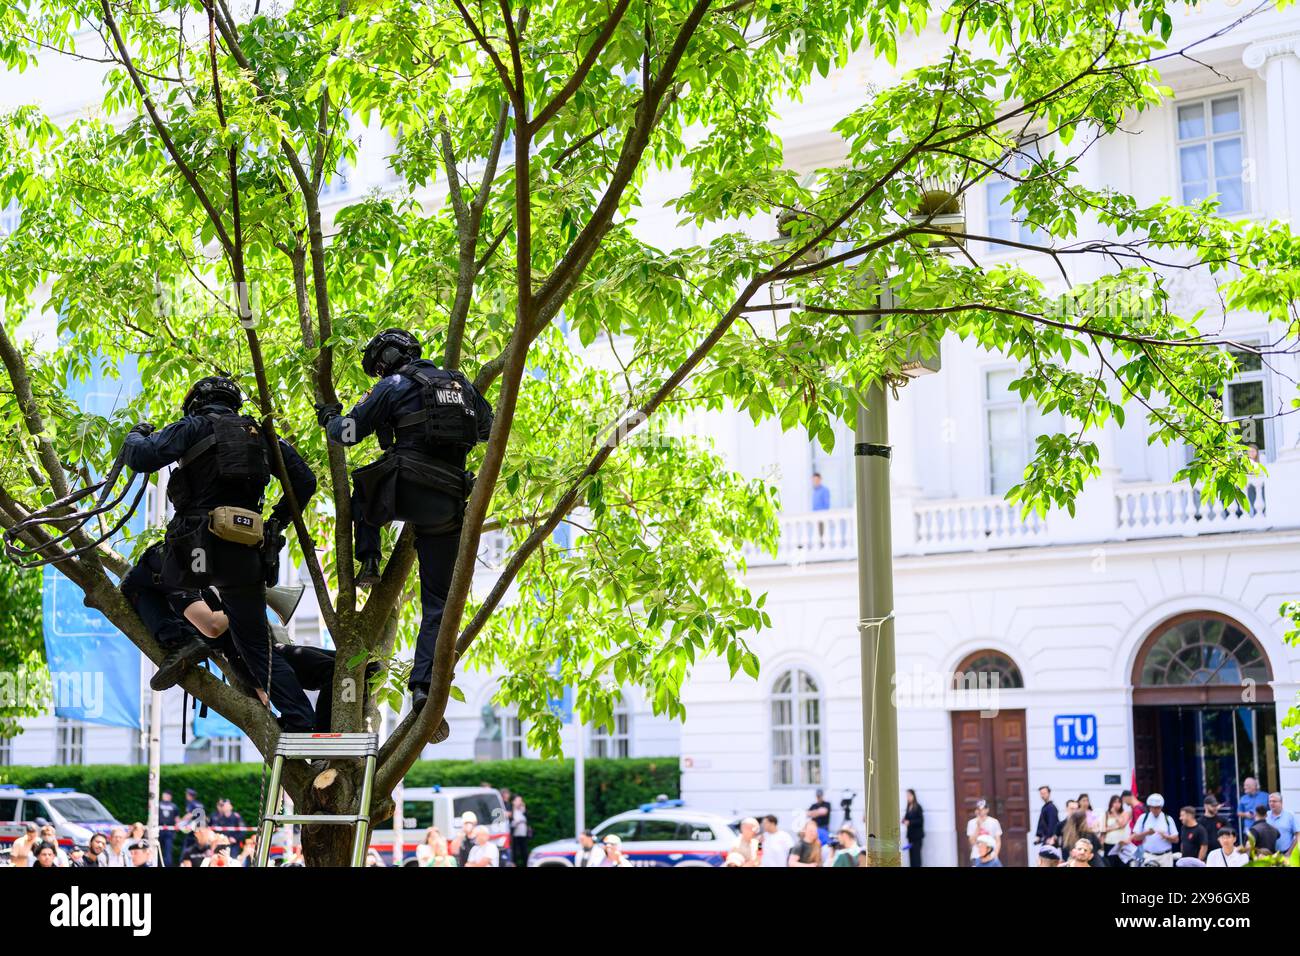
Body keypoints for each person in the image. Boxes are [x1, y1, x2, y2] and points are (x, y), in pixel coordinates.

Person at [123, 374, 319, 732]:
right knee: (259, 648)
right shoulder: (261, 435)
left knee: (138, 580)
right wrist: (276, 523)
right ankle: (300, 720)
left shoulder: (193, 426)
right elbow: (305, 480)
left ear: (197, 401)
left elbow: (142, 456)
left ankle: (181, 643)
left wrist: (136, 434)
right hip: (246, 555)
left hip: (196, 549)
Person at [318, 328, 493, 729]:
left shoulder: (393, 384)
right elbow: (487, 429)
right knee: (438, 603)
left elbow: (348, 433)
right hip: (448, 501)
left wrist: (329, 415)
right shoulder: (462, 383)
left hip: (404, 486)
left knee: (361, 488)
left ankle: (369, 559)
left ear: (388, 360)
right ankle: (424, 688)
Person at [1132, 794, 1179, 866]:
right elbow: (1135, 837)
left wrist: (1166, 836)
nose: (1155, 810)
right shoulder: (1143, 818)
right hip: (1148, 856)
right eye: (1153, 807)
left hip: (1165, 857)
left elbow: (1176, 840)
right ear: (1149, 807)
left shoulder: (1168, 819)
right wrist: (1146, 833)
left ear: (1161, 807)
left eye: (1157, 808)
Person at [966, 799, 1002, 866]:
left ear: (987, 810)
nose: (980, 811)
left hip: (991, 856)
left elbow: (998, 841)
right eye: (978, 809)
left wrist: (995, 854)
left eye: (982, 809)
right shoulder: (971, 823)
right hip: (977, 856)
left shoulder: (994, 822)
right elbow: (972, 842)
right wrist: (978, 826)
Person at [1099, 795, 1129, 867]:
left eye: (1119, 802)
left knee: (1122, 864)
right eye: (1115, 802)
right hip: (1109, 844)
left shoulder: (1124, 813)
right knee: (1110, 864)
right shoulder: (1106, 814)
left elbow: (1122, 824)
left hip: (1121, 844)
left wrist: (1115, 814)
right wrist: (1117, 827)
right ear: (1111, 803)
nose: (1117, 804)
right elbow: (1103, 829)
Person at [902, 789, 925, 867]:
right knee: (911, 856)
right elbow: (906, 818)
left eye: (909, 795)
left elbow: (920, 821)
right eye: (907, 796)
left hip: (917, 837)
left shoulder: (918, 807)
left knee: (916, 857)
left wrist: (910, 822)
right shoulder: (908, 807)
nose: (907, 797)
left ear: (913, 796)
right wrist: (903, 820)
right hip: (910, 836)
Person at [157, 790, 178, 867]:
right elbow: (177, 819)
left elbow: (176, 818)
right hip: (166, 830)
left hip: (164, 830)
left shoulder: (158, 804)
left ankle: (159, 864)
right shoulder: (174, 806)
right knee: (166, 850)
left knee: (161, 849)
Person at [510, 795, 529, 867]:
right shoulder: (511, 811)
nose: (520, 802)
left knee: (524, 852)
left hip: (523, 834)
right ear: (513, 802)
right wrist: (516, 823)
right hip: (515, 835)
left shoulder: (522, 810)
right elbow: (509, 824)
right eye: (518, 800)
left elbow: (527, 819)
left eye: (521, 800)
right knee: (514, 853)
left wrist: (524, 809)